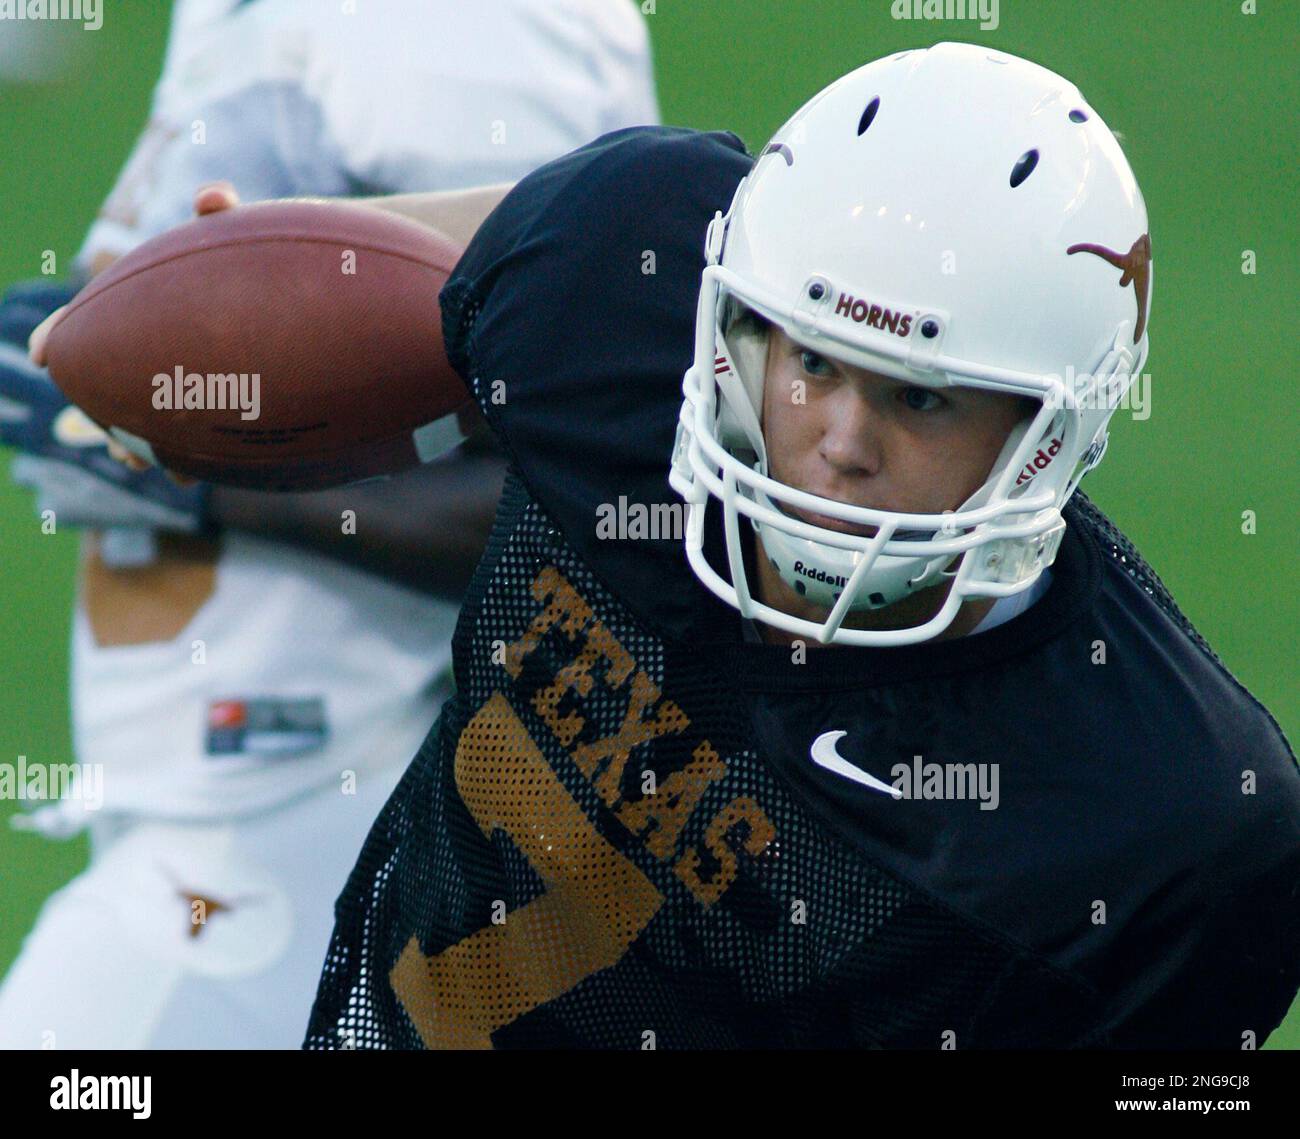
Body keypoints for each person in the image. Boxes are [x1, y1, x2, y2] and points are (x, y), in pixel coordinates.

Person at [33, 41, 1300, 1049]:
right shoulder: (627, 268)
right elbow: (416, 276)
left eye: (921, 396)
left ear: (1054, 429)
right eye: (810, 359)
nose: (840, 442)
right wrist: (227, 315)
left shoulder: (1160, 828)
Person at [0, 0, 658, 1049]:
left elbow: (581, 471)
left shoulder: (446, 30)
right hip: (222, 810)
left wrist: (193, 478)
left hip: (298, 816)